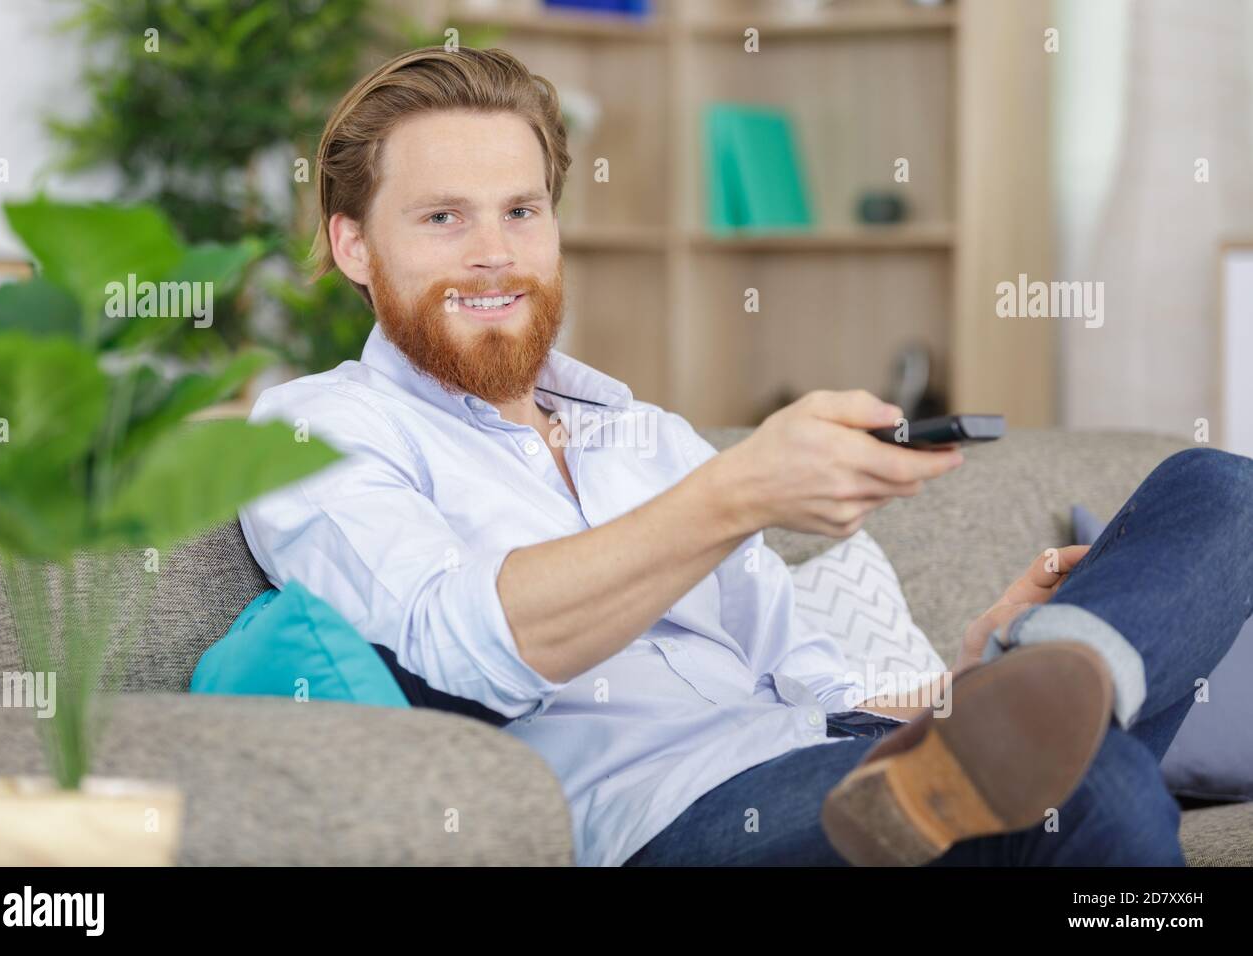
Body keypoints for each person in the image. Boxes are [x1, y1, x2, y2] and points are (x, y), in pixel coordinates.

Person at [238, 46, 1253, 867]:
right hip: (668, 818)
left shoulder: (648, 437)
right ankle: (1053, 720)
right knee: (1094, 783)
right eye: (442, 217)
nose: (493, 251)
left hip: (839, 768)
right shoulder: (314, 429)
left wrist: (974, 672)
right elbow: (459, 642)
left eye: (520, 209)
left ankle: (1060, 675)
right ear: (354, 246)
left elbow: (808, 693)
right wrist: (735, 490)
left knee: (1219, 488)